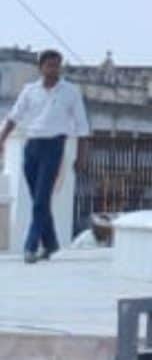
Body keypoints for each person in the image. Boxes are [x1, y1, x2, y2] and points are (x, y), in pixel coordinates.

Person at [0, 49, 91, 263]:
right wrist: (2, 138)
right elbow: (14, 116)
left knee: (41, 198)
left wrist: (81, 156)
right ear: (40, 67)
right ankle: (51, 243)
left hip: (54, 146)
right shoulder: (30, 90)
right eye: (49, 65)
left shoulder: (70, 91)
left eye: (57, 65)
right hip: (32, 146)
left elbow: (82, 127)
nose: (53, 69)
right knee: (38, 200)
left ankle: (30, 246)